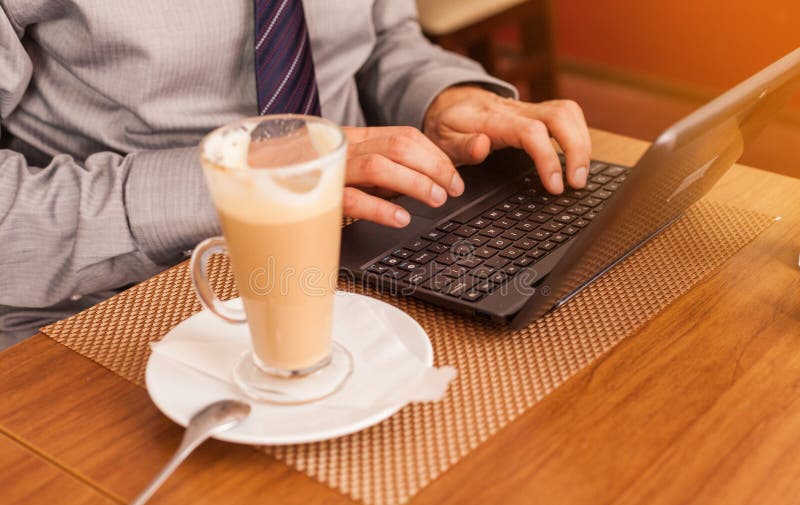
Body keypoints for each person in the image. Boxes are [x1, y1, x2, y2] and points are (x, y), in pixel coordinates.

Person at [0, 0, 591, 348]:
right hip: (120, 297)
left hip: (368, 249)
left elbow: (382, 39)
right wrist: (236, 181)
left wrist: (441, 96)